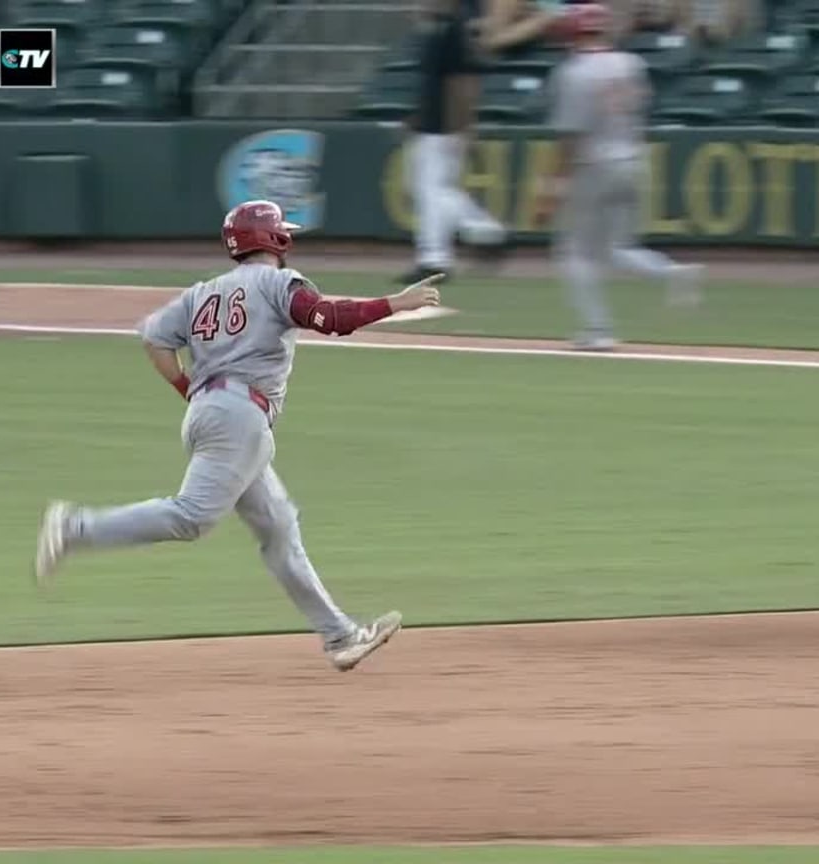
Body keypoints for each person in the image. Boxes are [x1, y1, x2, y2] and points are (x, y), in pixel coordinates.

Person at [34, 200, 442, 672]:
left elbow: (154, 339)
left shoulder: (202, 293)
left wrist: (190, 389)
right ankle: (74, 527)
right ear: (275, 239)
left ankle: (341, 636)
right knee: (192, 518)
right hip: (240, 418)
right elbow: (330, 319)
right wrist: (396, 303)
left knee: (279, 529)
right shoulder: (277, 283)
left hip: (214, 413)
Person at [538, 2, 703, 351]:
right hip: (632, 158)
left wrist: (551, 190)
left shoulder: (574, 72)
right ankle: (674, 273)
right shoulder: (632, 63)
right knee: (618, 248)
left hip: (594, 165)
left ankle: (597, 330)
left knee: (574, 253)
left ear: (573, 33)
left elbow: (570, 139)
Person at [400, 0, 510, 285]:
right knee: (429, 191)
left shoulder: (455, 29)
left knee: (433, 192)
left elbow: (465, 83)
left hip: (444, 130)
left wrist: (461, 127)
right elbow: (434, 82)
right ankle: (479, 234)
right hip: (432, 126)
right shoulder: (438, 29)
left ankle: (437, 258)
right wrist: (418, 116)